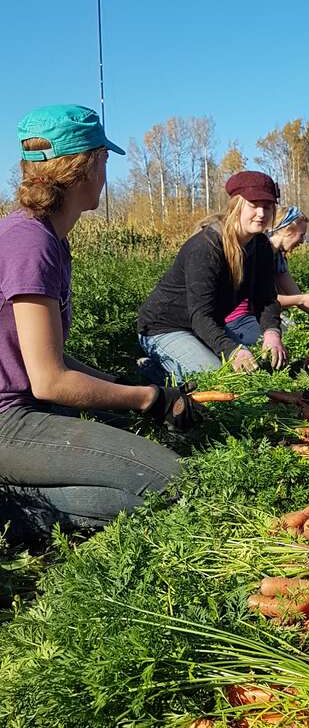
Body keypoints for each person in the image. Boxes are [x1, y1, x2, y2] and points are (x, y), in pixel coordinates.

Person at [0, 104, 190, 536]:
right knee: (177, 482)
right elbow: (50, 381)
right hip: (9, 421)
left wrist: (126, 387)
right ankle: (11, 506)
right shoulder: (30, 243)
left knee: (131, 501)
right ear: (87, 167)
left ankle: (22, 503)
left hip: (22, 411)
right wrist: (147, 399)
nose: (106, 173)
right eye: (104, 160)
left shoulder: (43, 236)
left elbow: (51, 359)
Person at [137, 171, 287, 381]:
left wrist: (272, 333)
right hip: (163, 328)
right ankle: (157, 370)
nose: (261, 213)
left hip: (204, 326)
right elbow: (200, 315)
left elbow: (266, 299)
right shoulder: (206, 247)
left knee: (257, 368)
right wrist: (233, 351)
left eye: (268, 206)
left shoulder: (260, 246)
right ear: (236, 206)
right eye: (254, 205)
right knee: (220, 377)